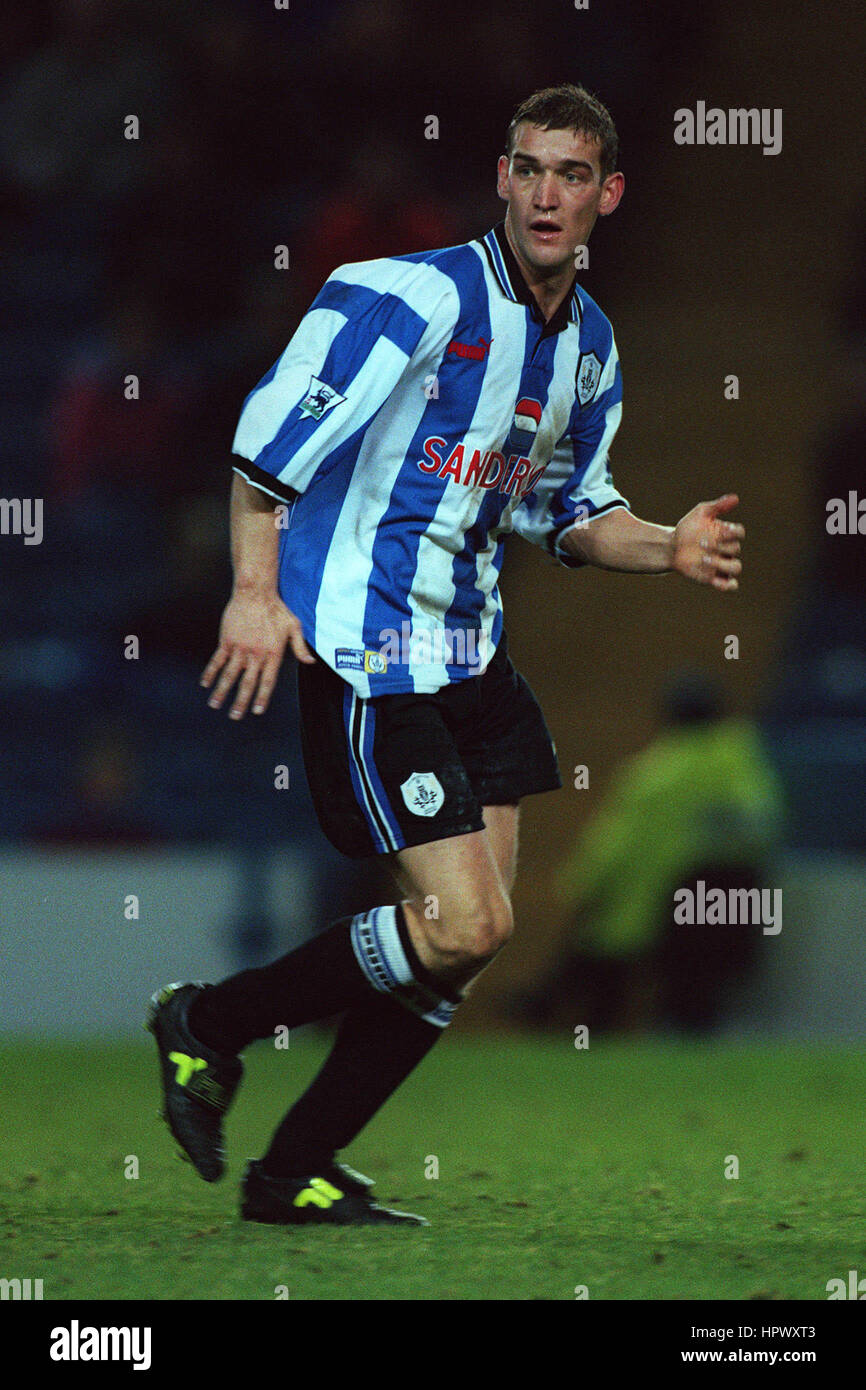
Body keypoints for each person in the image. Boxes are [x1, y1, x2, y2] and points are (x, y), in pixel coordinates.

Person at [148, 84, 744, 1228]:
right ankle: (210, 1024)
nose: (546, 193)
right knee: (468, 925)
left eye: (571, 174)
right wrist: (252, 594)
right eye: (528, 168)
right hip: (373, 654)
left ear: (606, 195)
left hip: (470, 653)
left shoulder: (590, 345)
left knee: (460, 948)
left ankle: (291, 1171)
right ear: (502, 180)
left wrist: (668, 545)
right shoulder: (412, 295)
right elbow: (268, 445)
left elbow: (570, 513)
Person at [509, 671, 785, 1034]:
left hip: (646, 902)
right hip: (731, 899)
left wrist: (584, 882)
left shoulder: (655, 775)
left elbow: (616, 843)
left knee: (606, 973)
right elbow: (763, 826)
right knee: (698, 994)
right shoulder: (746, 761)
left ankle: (558, 1016)